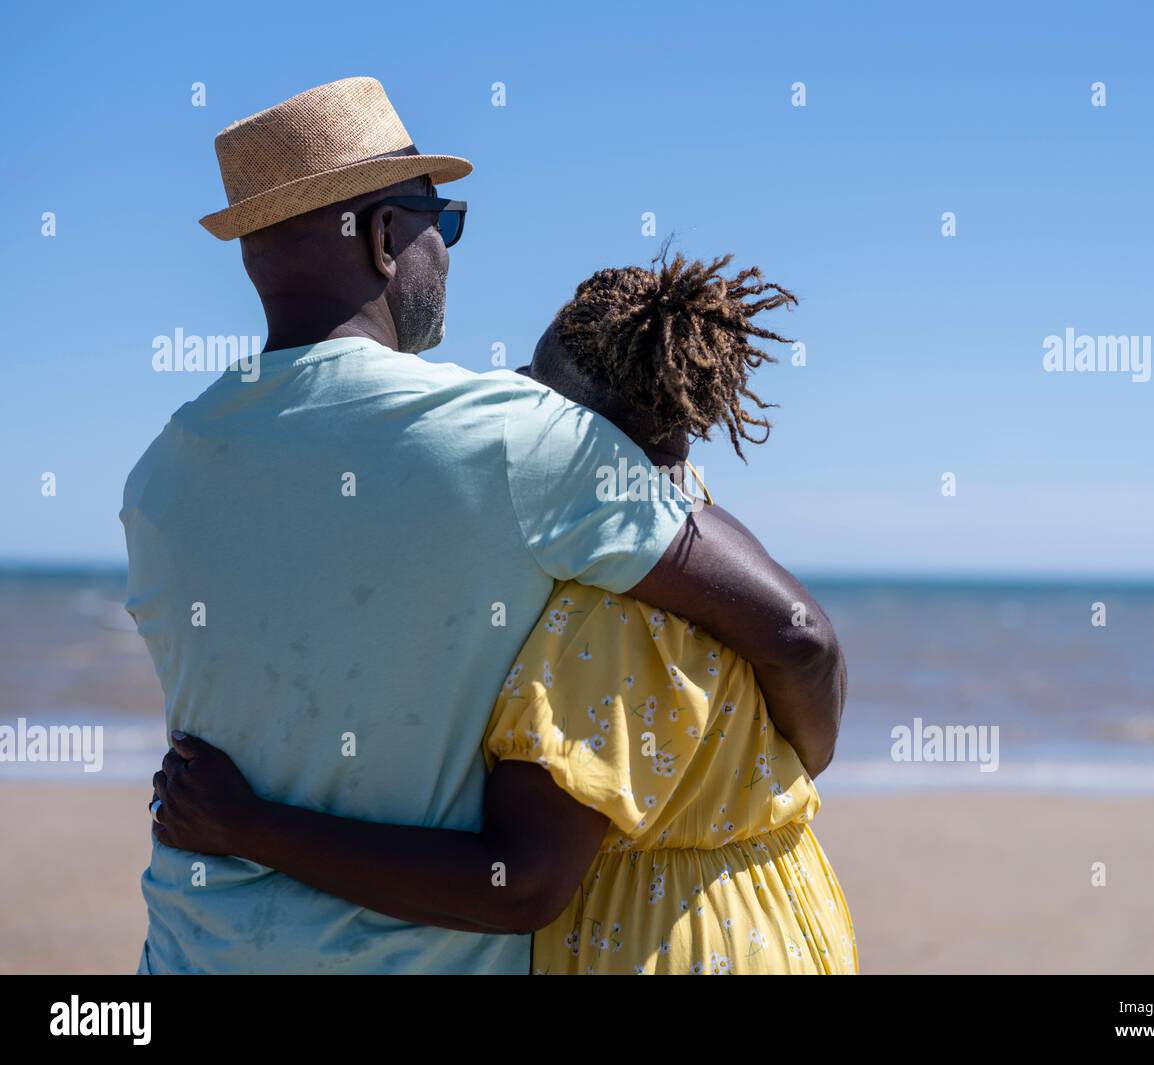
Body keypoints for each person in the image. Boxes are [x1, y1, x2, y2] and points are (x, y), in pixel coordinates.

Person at [124, 76, 844, 975]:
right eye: (443, 220)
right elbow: (790, 626)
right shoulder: (515, 438)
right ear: (385, 237)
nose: (449, 252)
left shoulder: (158, 474)